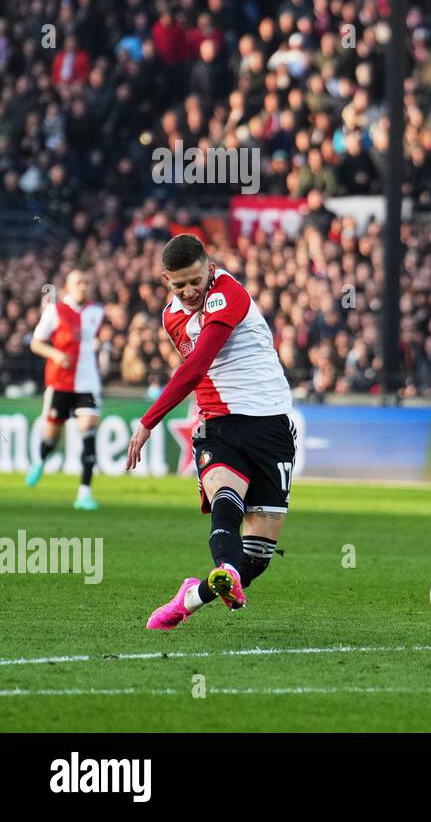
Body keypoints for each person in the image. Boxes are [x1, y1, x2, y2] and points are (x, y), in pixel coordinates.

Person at [125, 235, 296, 630]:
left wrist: (149, 420)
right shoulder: (171, 317)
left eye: (195, 280)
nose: (188, 291)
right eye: (178, 285)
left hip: (271, 427)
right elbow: (199, 373)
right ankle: (223, 572)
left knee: (254, 560)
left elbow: (198, 363)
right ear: (165, 279)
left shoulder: (228, 293)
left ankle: (192, 595)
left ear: (209, 267)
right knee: (225, 495)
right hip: (219, 424)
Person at [26, 271, 106, 510]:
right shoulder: (55, 311)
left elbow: (99, 340)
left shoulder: (97, 312)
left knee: (88, 430)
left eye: (87, 282)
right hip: (60, 383)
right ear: (68, 287)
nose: (84, 286)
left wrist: (101, 345)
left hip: (88, 383)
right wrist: (56, 354)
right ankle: (40, 460)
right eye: (79, 282)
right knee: (52, 435)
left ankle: (84, 493)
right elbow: (36, 343)